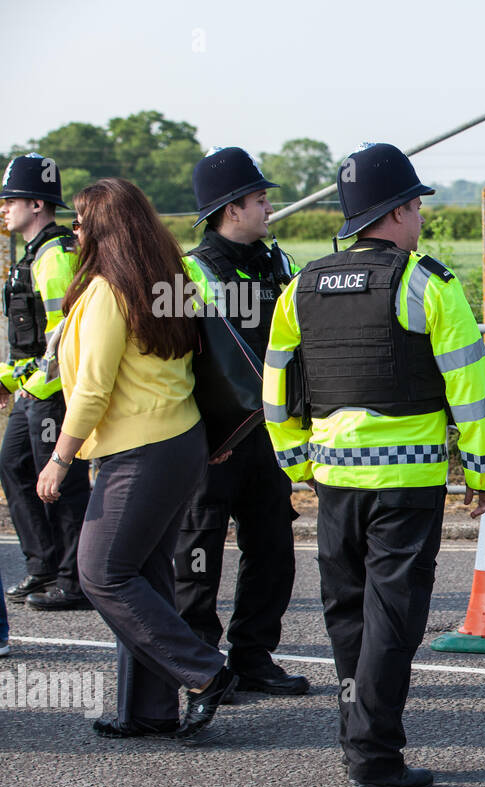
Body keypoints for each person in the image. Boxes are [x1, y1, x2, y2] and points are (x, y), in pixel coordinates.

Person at [263, 143, 485, 787]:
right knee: (393, 621)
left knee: (348, 615)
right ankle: (373, 757)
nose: (421, 213)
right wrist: (481, 472)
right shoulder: (427, 282)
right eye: (417, 203)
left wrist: (295, 464)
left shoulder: (301, 286)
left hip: (333, 482)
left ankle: (355, 739)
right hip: (406, 486)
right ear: (396, 210)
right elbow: (471, 389)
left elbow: (277, 388)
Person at [37, 177, 235, 739]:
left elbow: (93, 390)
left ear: (100, 228)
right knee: (145, 571)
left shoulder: (106, 291)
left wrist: (59, 458)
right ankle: (148, 711)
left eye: (78, 223)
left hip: (140, 449)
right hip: (178, 442)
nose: (71, 232)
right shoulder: (163, 281)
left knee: (101, 573)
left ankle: (204, 671)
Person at [175, 147, 307, 698]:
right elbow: (177, 363)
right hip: (213, 442)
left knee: (272, 551)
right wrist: (203, 436)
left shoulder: (280, 264)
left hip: (269, 438)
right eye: (259, 198)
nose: (268, 206)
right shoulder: (189, 272)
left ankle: (254, 656)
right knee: (197, 556)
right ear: (232, 208)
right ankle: (199, 665)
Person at [1, 153, 92, 611]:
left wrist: (37, 385)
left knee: (62, 483)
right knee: (14, 466)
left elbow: (62, 341)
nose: (4, 209)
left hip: (52, 395)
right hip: (31, 391)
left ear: (38, 204)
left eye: (11, 200)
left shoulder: (55, 256)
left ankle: (74, 579)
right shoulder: (33, 254)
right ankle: (42, 567)